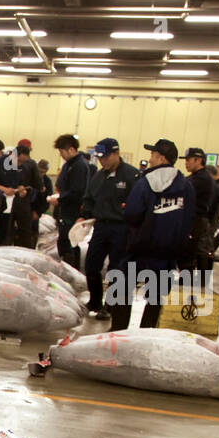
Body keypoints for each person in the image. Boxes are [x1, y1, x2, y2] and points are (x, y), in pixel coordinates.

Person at [123, 139, 195, 329]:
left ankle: (119, 332)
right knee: (156, 296)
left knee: (122, 290)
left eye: (153, 155)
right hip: (168, 253)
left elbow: (131, 214)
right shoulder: (186, 186)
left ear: (161, 158)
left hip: (140, 250)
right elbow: (189, 219)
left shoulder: (145, 182)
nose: (150, 159)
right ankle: (146, 332)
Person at [78, 137, 138, 324]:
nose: (102, 161)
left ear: (116, 154)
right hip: (101, 226)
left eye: (105, 157)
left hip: (121, 228)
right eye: (99, 158)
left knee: (115, 269)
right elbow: (89, 198)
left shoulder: (131, 175)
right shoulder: (98, 175)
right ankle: (95, 301)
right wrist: (84, 215)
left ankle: (109, 306)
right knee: (91, 265)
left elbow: (137, 203)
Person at [179, 146, 216, 279]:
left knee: (189, 257)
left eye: (189, 160)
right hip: (194, 221)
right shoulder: (196, 177)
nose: (186, 163)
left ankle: (189, 286)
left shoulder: (201, 179)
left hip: (197, 222)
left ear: (198, 160)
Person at [53, 134, 89, 269]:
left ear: (71, 149)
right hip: (66, 209)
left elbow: (77, 191)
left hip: (73, 211)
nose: (61, 155)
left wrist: (59, 199)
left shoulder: (79, 165)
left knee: (69, 243)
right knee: (64, 241)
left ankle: (72, 273)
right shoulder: (69, 164)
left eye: (62, 152)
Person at [11, 139, 41, 248]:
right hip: (23, 202)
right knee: (25, 231)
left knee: (7, 230)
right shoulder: (31, 163)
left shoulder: (7, 162)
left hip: (9, 201)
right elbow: (38, 184)